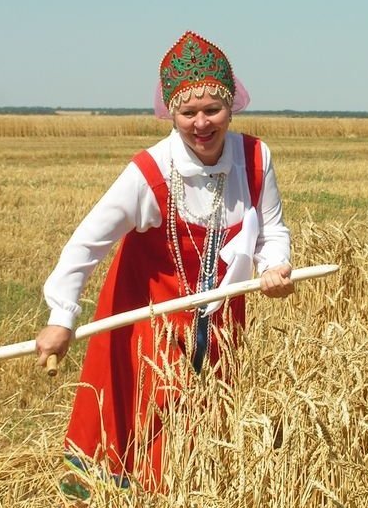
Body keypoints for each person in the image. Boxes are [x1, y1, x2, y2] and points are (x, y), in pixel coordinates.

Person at [35, 30, 294, 494]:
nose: (201, 123)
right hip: (145, 319)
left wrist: (276, 265)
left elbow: (272, 228)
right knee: (136, 423)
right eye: (187, 112)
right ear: (170, 113)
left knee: (205, 427)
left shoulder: (255, 158)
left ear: (231, 105)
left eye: (212, 109)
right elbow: (85, 245)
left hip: (220, 321)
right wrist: (61, 316)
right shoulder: (148, 173)